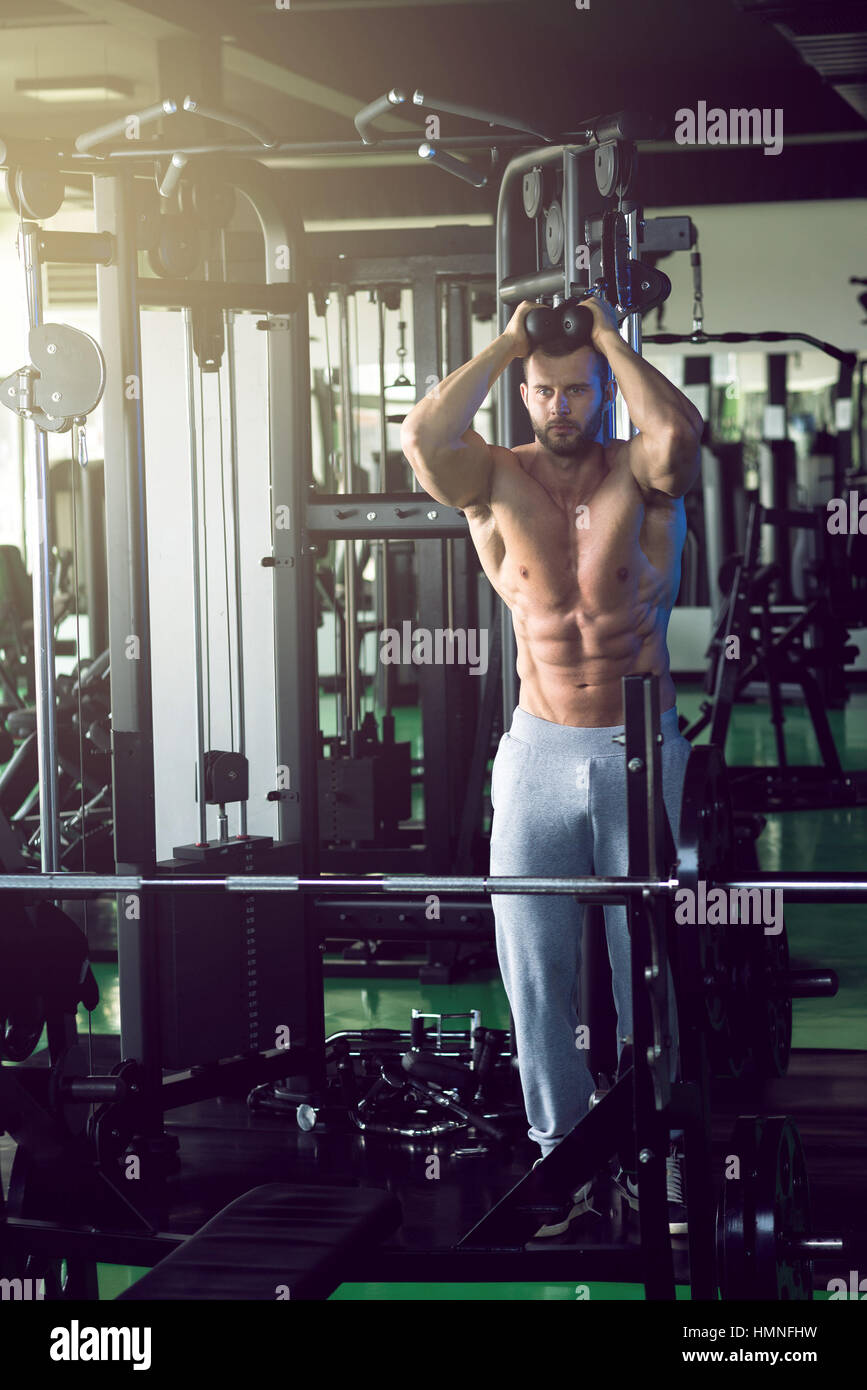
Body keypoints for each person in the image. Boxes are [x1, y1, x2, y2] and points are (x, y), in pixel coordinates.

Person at [400, 294, 703, 1237]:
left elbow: (681, 431)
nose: (560, 407)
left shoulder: (641, 476)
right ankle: (561, 1157)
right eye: (544, 392)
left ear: (601, 392)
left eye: (578, 391)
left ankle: (668, 1159)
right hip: (536, 748)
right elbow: (420, 434)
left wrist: (608, 336)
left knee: (649, 961)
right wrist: (510, 341)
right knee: (532, 963)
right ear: (523, 394)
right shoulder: (490, 479)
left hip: (636, 750)